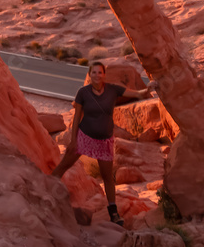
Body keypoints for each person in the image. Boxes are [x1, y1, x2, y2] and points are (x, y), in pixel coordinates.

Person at [50, 61, 156, 227]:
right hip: (85, 136)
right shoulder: (83, 92)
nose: (97, 76)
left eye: (100, 73)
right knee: (63, 166)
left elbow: (137, 93)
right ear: (90, 75)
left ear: (104, 75)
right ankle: (46, 193)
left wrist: (148, 89)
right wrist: (73, 140)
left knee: (108, 178)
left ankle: (113, 213)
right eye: (94, 73)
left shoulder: (113, 89)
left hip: (105, 140)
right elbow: (77, 117)